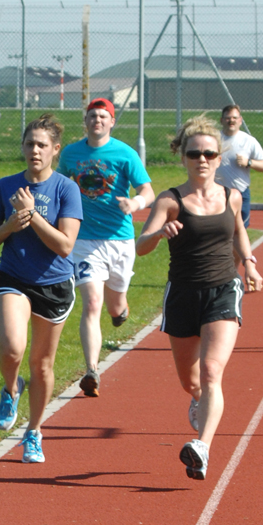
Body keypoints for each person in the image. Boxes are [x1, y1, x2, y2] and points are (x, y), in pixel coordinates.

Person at [135, 114, 263, 481]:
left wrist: (250, 264)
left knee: (211, 371)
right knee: (190, 381)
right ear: (184, 158)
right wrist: (160, 232)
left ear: (219, 158)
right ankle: (198, 403)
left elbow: (238, 231)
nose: (202, 159)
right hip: (182, 295)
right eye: (195, 154)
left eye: (209, 153)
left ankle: (202, 446)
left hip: (223, 288)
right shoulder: (170, 200)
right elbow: (140, 246)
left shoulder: (231, 196)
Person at [0, 114, 83, 463]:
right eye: (29, 144)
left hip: (54, 284)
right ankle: (11, 389)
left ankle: (34, 433)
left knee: (42, 365)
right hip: (13, 278)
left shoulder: (65, 189)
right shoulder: (6, 186)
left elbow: (65, 245)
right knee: (12, 349)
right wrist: (10, 225)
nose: (35, 150)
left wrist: (33, 216)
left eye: (42, 145)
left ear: (55, 150)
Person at [57, 97, 154, 397]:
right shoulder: (71, 154)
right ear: (85, 122)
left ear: (112, 122)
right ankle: (92, 370)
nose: (97, 120)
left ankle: (121, 309)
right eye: (92, 116)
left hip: (120, 240)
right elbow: (59, 186)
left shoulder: (125, 154)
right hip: (84, 241)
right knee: (92, 304)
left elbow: (148, 191)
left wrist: (135, 203)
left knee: (114, 305)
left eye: (103, 116)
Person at [216, 103, 263, 233]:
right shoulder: (214, 139)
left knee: (239, 231)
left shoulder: (248, 141)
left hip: (240, 192)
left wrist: (249, 162)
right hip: (216, 193)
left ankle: (239, 254)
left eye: (234, 118)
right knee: (217, 230)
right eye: (228, 118)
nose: (231, 121)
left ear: (240, 120)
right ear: (221, 120)